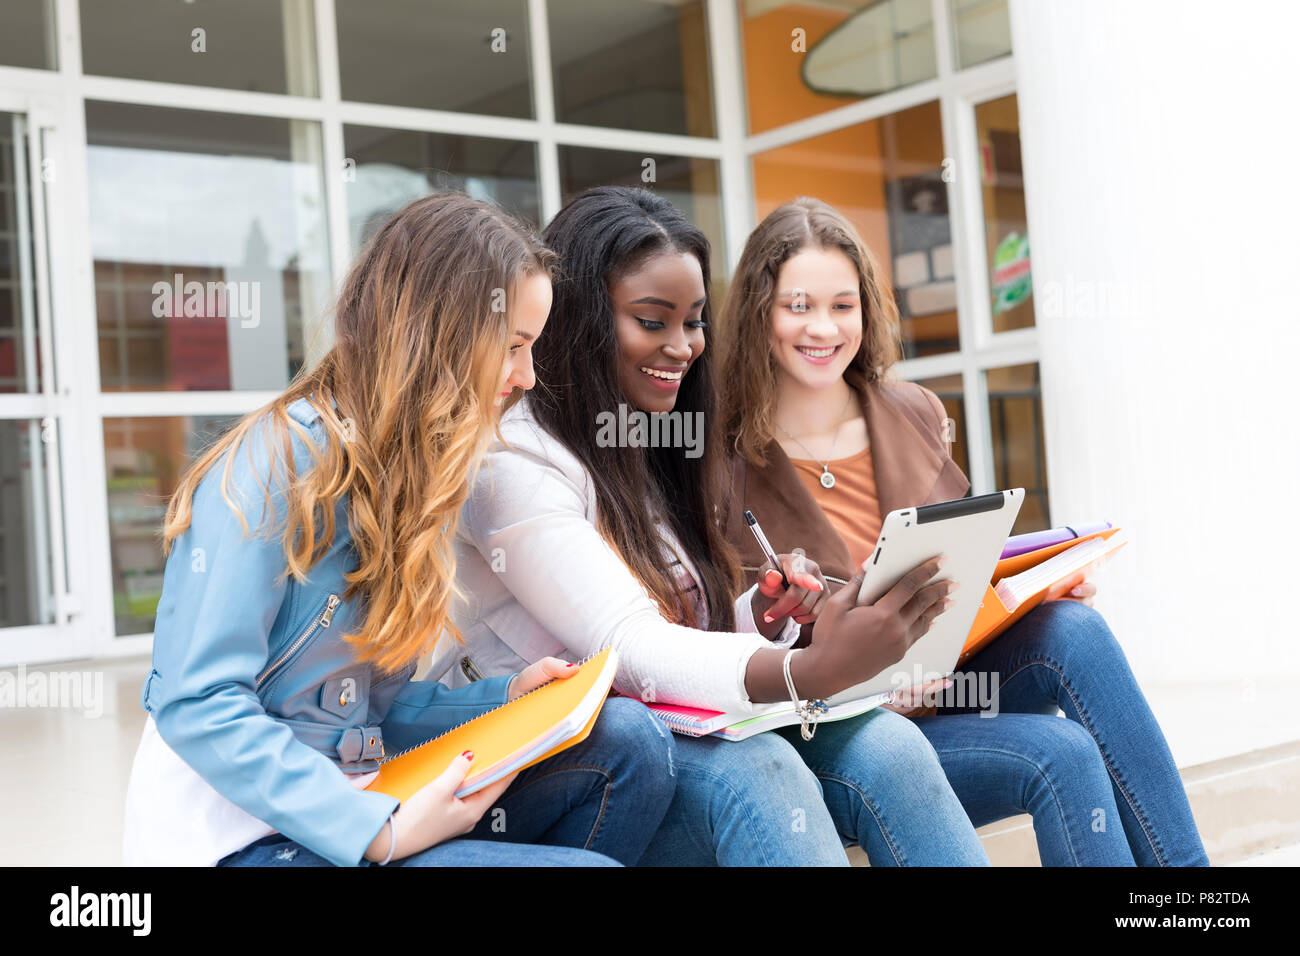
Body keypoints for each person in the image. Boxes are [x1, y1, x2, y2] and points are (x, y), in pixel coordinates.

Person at [431, 185, 991, 866]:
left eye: (693, 321)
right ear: (579, 322)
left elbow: (681, 631)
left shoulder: (647, 442)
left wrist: (765, 614)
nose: (683, 345)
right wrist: (807, 668)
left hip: (681, 726)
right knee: (762, 775)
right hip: (573, 768)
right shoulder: (512, 464)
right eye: (652, 320)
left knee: (890, 747)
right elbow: (627, 645)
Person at [121, 193, 676, 868]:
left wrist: (501, 699)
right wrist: (375, 829)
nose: (527, 377)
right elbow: (195, 700)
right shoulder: (274, 464)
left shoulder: (410, 472)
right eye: (514, 347)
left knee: (630, 744)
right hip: (245, 840)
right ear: (439, 334)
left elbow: (362, 714)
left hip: (360, 799)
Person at [715, 196, 1209, 866]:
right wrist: (871, 679)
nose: (824, 327)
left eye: (843, 304)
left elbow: (971, 562)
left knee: (1076, 630)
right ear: (758, 312)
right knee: (1063, 752)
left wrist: (1034, 590)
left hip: (952, 682)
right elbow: (734, 636)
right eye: (798, 305)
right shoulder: (721, 455)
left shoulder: (912, 410)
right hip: (850, 726)